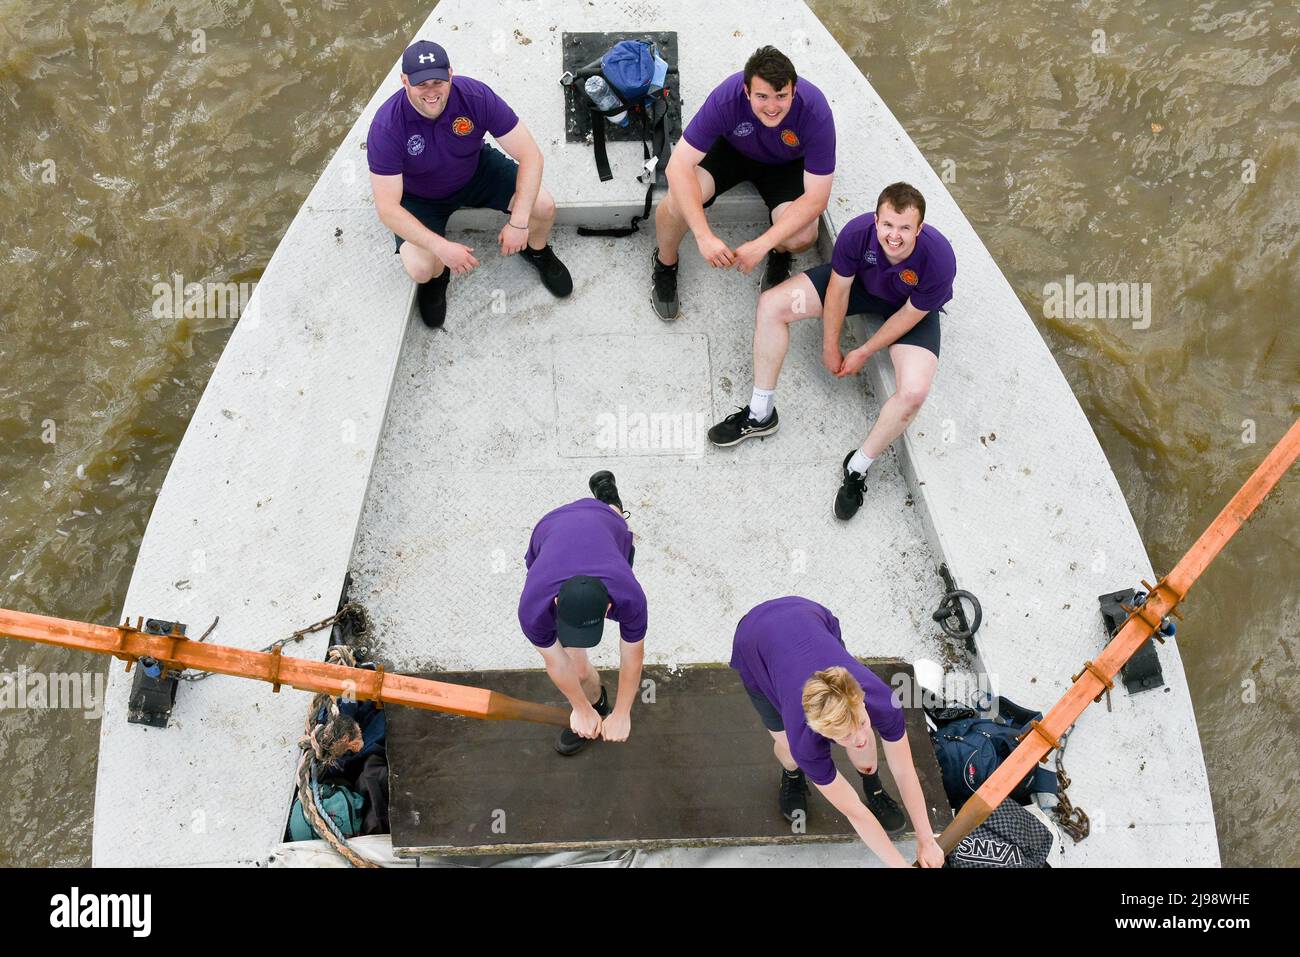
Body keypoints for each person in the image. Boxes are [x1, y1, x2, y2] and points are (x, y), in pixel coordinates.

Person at [708, 182, 956, 521]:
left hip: (907, 308)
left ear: (920, 228)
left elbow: (908, 316)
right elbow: (838, 289)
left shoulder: (939, 259)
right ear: (875, 220)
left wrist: (863, 351)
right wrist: (831, 345)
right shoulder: (857, 234)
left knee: (913, 392)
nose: (894, 236)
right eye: (887, 225)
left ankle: (858, 467)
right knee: (772, 304)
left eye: (904, 228)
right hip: (861, 290)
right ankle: (760, 412)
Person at [367, 40, 573, 328]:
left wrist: (519, 222)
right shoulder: (387, 127)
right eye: (421, 84)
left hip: (476, 171)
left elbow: (531, 155)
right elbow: (387, 209)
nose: (431, 92)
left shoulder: (474, 96)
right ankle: (438, 279)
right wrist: (441, 247)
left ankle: (536, 250)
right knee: (421, 268)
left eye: (438, 81)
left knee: (543, 206)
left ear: (451, 74)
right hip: (419, 197)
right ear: (404, 81)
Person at [730, 596, 945, 867]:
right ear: (819, 730)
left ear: (860, 698)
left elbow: (904, 770)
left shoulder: (883, 702)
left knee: (864, 746)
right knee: (788, 750)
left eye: (862, 722)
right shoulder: (804, 740)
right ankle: (792, 774)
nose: (859, 736)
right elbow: (855, 813)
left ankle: (873, 786)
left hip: (808, 615)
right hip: (755, 642)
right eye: (843, 736)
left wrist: (926, 839)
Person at [650, 46, 835, 320]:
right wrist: (704, 235)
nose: (772, 107)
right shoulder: (727, 97)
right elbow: (678, 166)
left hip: (786, 165)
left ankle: (779, 252)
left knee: (805, 235)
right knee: (676, 200)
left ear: (794, 91)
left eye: (781, 96)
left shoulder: (815, 111)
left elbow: (817, 199)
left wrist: (762, 244)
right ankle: (665, 264)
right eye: (761, 96)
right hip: (731, 151)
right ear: (746, 91)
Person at [518, 471, 646, 755]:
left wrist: (624, 712)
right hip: (551, 527)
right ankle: (598, 704)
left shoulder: (629, 595)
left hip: (603, 523)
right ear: (555, 603)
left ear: (610, 606)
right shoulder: (533, 607)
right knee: (576, 666)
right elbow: (557, 664)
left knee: (613, 518)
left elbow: (633, 656)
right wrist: (582, 709)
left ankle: (608, 498)